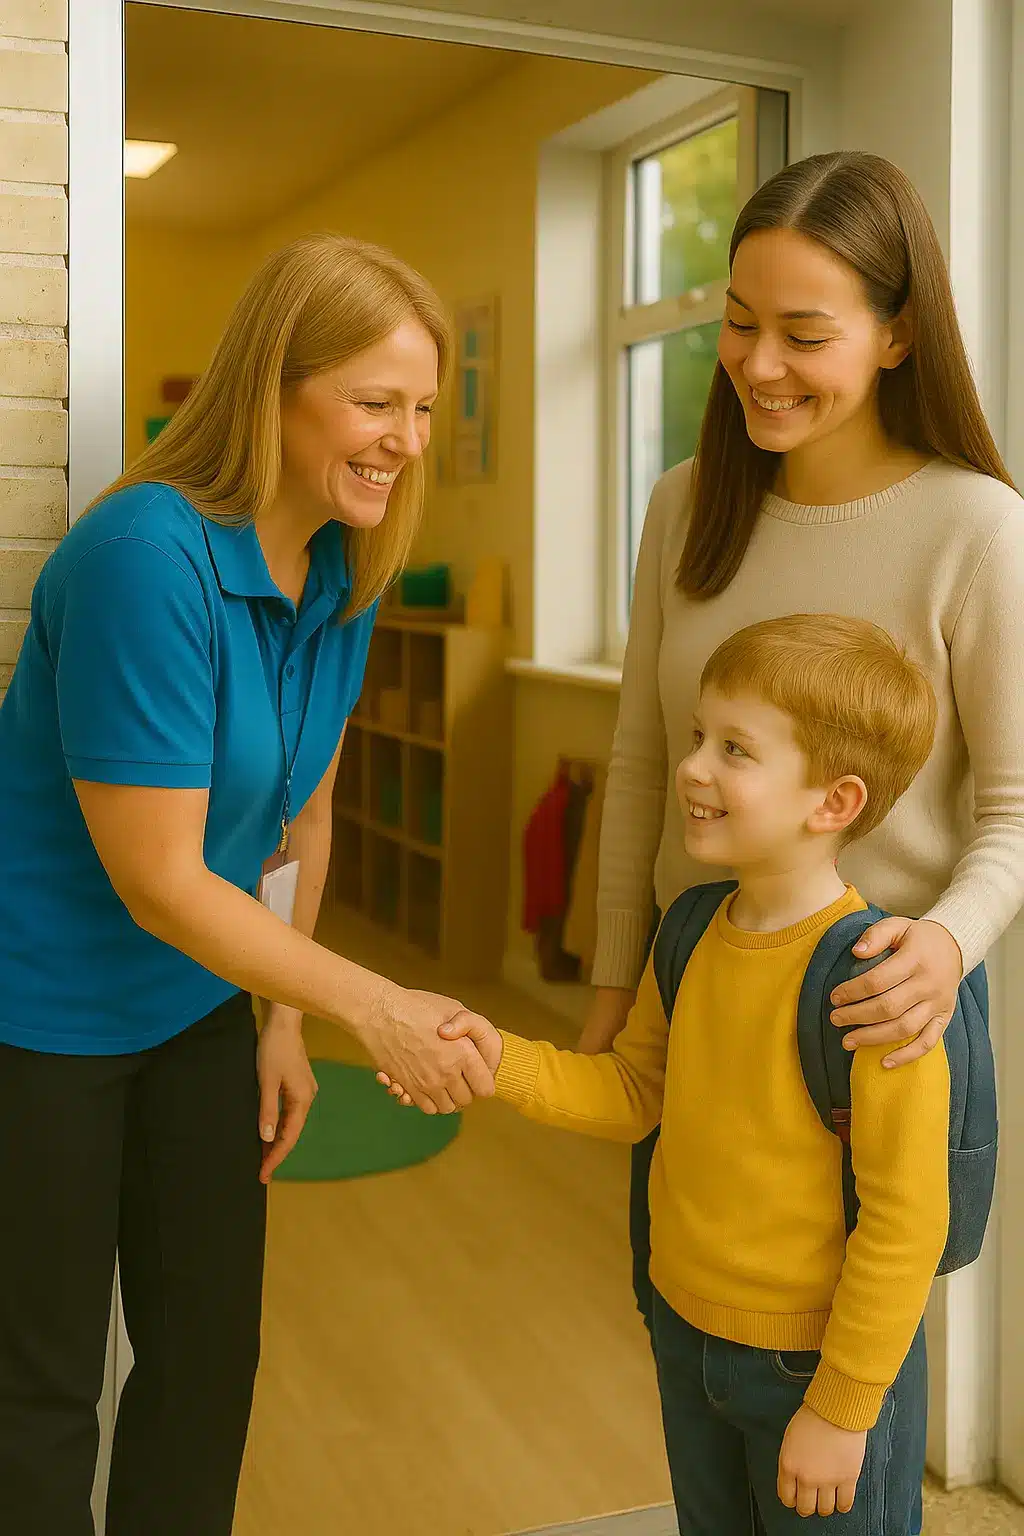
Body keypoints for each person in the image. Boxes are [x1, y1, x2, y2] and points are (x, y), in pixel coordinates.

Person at [0, 234, 499, 1536]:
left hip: (198, 1018)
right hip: (38, 1026)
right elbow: (162, 880)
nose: (405, 439)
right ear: (275, 387)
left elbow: (300, 817)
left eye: (425, 411)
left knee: (207, 1363)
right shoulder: (143, 556)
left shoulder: (345, 569)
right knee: (40, 1392)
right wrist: (369, 1008)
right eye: (375, 403)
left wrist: (279, 1018)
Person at [571, 151, 1024, 1367]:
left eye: (802, 334)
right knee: (697, 1350)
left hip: (874, 1012)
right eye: (737, 323)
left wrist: (946, 944)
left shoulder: (974, 526)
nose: (757, 365)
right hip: (700, 995)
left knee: (842, 1396)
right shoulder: (684, 506)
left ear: (895, 335)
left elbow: (1018, 804)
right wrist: (618, 982)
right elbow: (638, 759)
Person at [386, 612, 953, 1532]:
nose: (693, 767)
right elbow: (634, 1092)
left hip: (812, 1367)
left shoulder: (875, 985)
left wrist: (843, 1409)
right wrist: (504, 1061)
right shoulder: (688, 931)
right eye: (698, 736)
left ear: (834, 802)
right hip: (685, 1331)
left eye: (736, 748)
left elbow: (906, 1218)